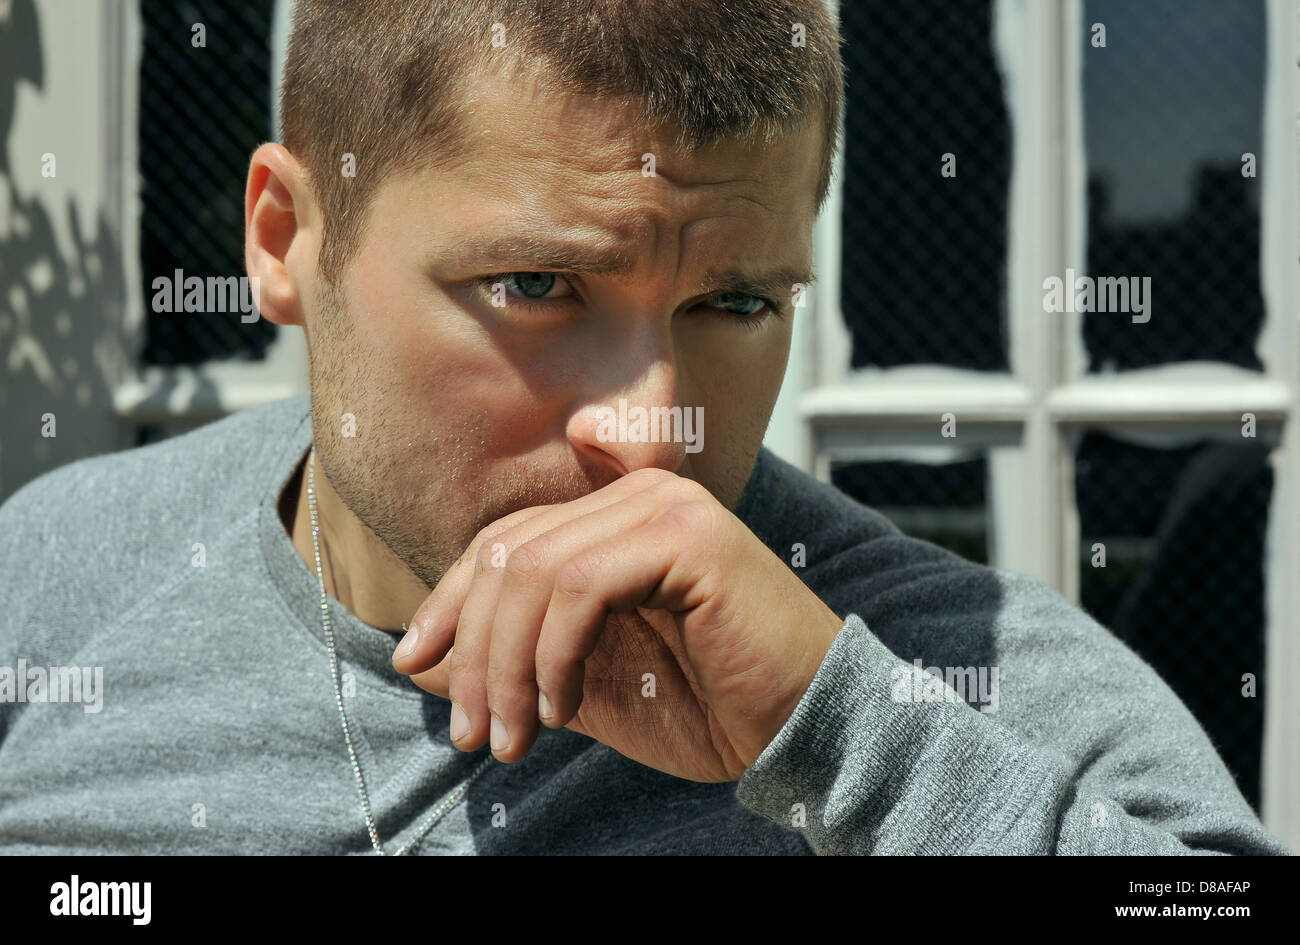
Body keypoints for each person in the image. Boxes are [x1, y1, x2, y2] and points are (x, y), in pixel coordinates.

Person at [0, 0, 1289, 855]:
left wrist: (832, 734)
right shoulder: (63, 585)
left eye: (734, 301)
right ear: (288, 239)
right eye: (536, 287)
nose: (651, 431)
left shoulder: (937, 668)